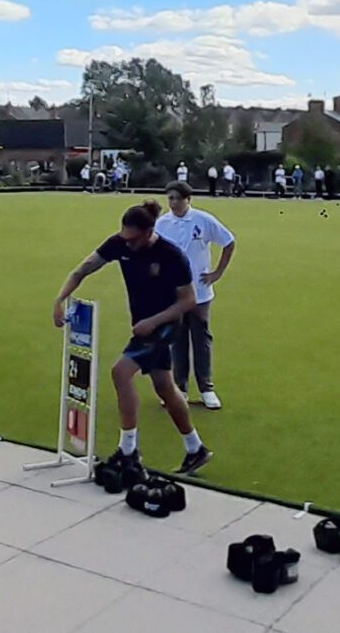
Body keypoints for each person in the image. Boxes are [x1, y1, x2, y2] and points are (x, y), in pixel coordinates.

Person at [51, 201, 211, 475]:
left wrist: (153, 322)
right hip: (142, 325)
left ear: (149, 232)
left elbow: (188, 301)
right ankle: (195, 448)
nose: (128, 244)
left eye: (134, 239)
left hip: (164, 326)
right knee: (164, 386)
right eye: (125, 237)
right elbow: (82, 270)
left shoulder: (171, 256)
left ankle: (128, 450)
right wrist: (60, 299)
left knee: (121, 372)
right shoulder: (120, 244)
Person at [157, 181, 235, 410]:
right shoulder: (162, 224)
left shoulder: (203, 220)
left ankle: (206, 388)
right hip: (174, 294)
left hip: (200, 293)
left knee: (201, 340)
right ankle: (179, 389)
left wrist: (217, 273)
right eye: (170, 198)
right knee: (178, 341)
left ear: (188, 199)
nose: (173, 203)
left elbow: (229, 242)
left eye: (177, 199)